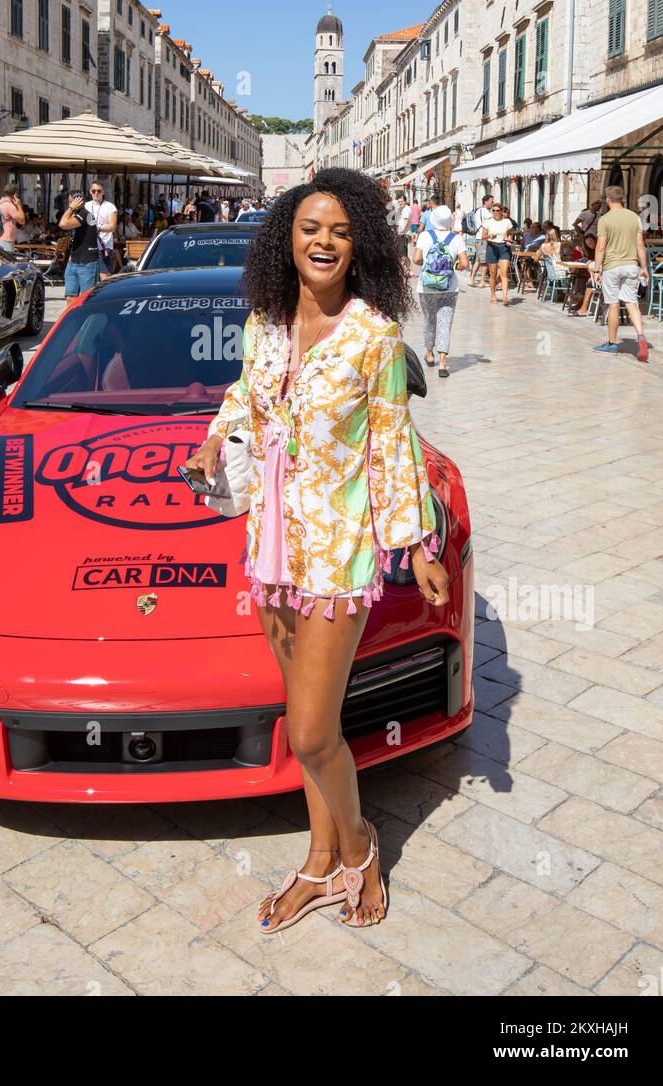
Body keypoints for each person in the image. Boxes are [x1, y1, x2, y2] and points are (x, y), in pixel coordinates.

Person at [185, 168, 448, 934]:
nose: (324, 241)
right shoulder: (264, 321)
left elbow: (393, 447)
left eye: (338, 230)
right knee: (315, 728)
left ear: (357, 240)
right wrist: (213, 438)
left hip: (339, 553)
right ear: (285, 240)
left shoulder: (376, 337)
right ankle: (318, 859)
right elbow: (244, 395)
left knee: (308, 729)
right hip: (269, 545)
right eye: (309, 228)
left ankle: (361, 846)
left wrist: (416, 542)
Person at [592, 184, 649, 360]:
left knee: (614, 304)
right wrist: (644, 267)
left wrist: (596, 269)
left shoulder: (605, 219)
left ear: (608, 200)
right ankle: (641, 338)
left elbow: (600, 247)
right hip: (632, 266)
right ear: (622, 199)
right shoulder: (634, 217)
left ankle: (612, 343)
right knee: (632, 303)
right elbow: (640, 245)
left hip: (612, 266)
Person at [412, 204, 469, 377]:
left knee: (430, 320)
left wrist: (427, 267)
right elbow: (465, 264)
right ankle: (443, 364)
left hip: (427, 288)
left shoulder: (424, 236)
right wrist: (453, 266)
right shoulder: (456, 238)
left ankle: (429, 353)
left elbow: (416, 259)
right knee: (445, 323)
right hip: (449, 288)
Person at [59, 190, 100, 303]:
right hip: (74, 262)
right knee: (71, 297)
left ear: (78, 201)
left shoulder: (84, 214)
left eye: (71, 202)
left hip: (86, 263)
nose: (69, 205)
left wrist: (71, 209)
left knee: (86, 299)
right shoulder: (79, 215)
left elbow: (63, 224)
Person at [480, 202, 514, 305]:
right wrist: (490, 236)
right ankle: (493, 295)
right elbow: (483, 237)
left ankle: (505, 296)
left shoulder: (507, 222)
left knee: (504, 273)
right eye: (493, 210)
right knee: (493, 274)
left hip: (504, 247)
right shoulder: (488, 222)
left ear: (501, 211)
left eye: (497, 211)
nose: (495, 212)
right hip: (491, 247)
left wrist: (509, 240)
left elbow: (509, 235)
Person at [86, 180, 118, 273]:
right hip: (88, 246)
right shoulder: (85, 206)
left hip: (104, 246)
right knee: (88, 276)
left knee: (104, 275)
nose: (96, 193)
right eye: (93, 191)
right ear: (90, 191)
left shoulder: (110, 207)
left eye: (99, 191)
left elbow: (112, 227)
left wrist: (97, 229)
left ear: (103, 192)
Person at [468, 194, 496, 288]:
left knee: (478, 260)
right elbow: (493, 219)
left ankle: (471, 280)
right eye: (491, 201)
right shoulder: (484, 211)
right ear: (486, 201)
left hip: (478, 238)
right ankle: (482, 281)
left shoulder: (478, 211)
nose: (492, 203)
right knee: (484, 261)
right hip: (482, 239)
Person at [0, 185, 24, 254]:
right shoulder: (9, 206)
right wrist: (19, 205)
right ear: (15, 194)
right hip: (6, 240)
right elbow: (22, 221)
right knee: (6, 263)